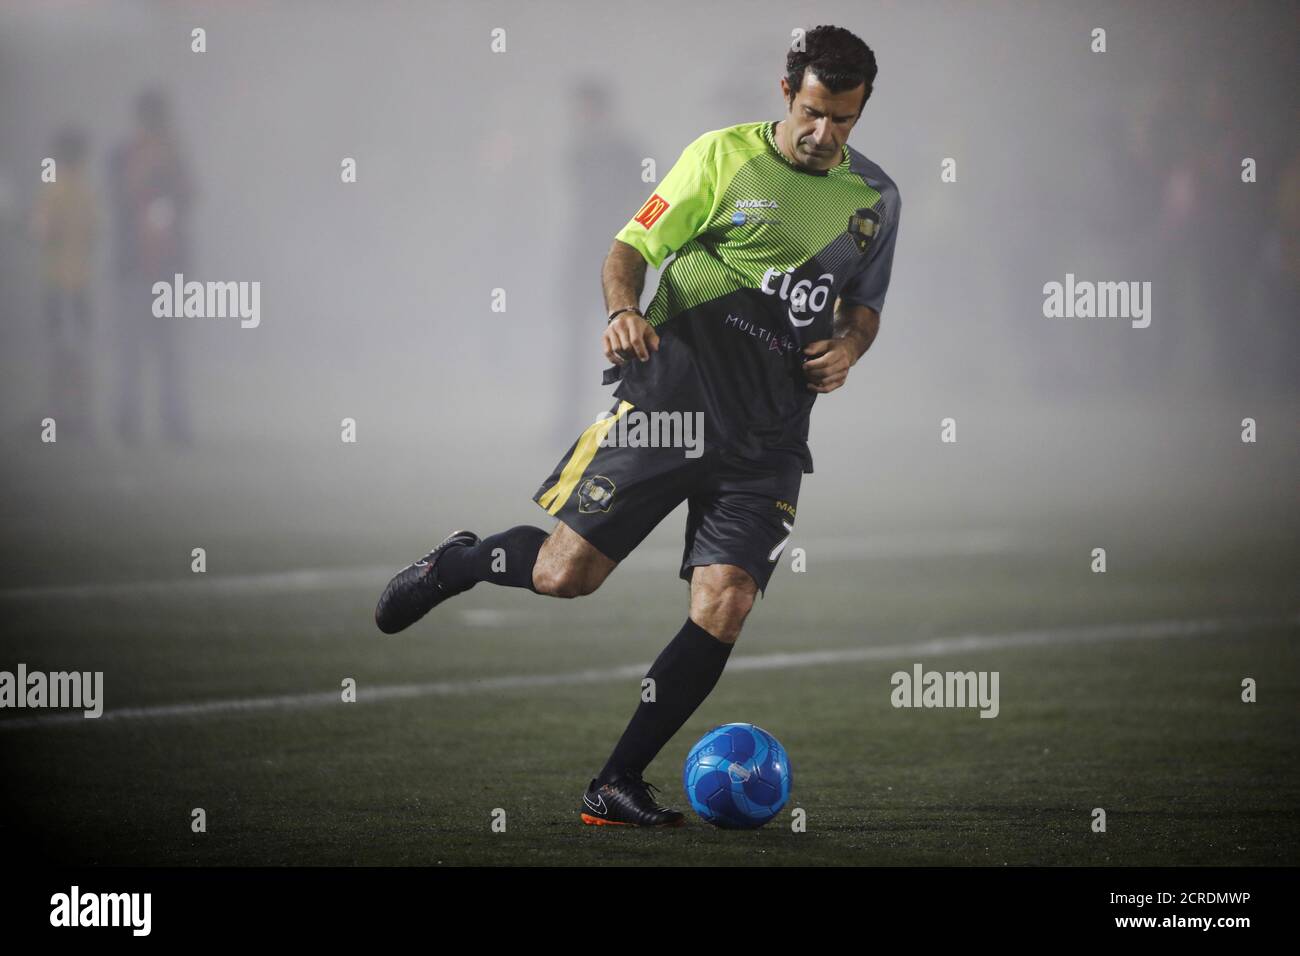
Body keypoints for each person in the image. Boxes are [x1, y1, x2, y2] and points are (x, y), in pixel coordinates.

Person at [375, 25, 900, 827]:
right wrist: (623, 311)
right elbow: (629, 246)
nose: (825, 135)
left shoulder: (875, 199)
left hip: (768, 439)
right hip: (668, 406)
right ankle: (461, 562)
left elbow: (864, 306)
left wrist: (851, 348)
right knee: (565, 575)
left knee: (725, 602)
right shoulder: (720, 158)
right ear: (786, 93)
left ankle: (615, 781)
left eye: (845, 121)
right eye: (814, 113)